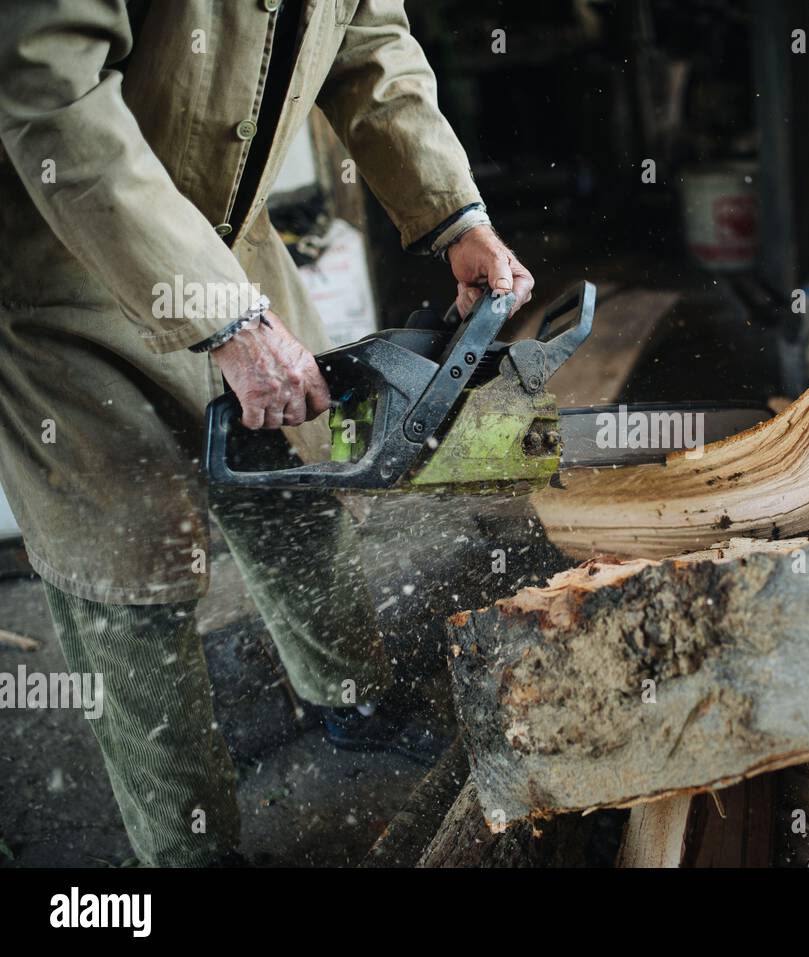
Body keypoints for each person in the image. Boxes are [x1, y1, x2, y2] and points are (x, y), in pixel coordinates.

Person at [0, 0, 532, 866]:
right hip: (63, 251)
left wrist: (456, 215)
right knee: (130, 570)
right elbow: (46, 85)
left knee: (300, 486)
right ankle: (189, 850)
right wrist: (227, 322)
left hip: (226, 232)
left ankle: (354, 701)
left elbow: (371, 42)